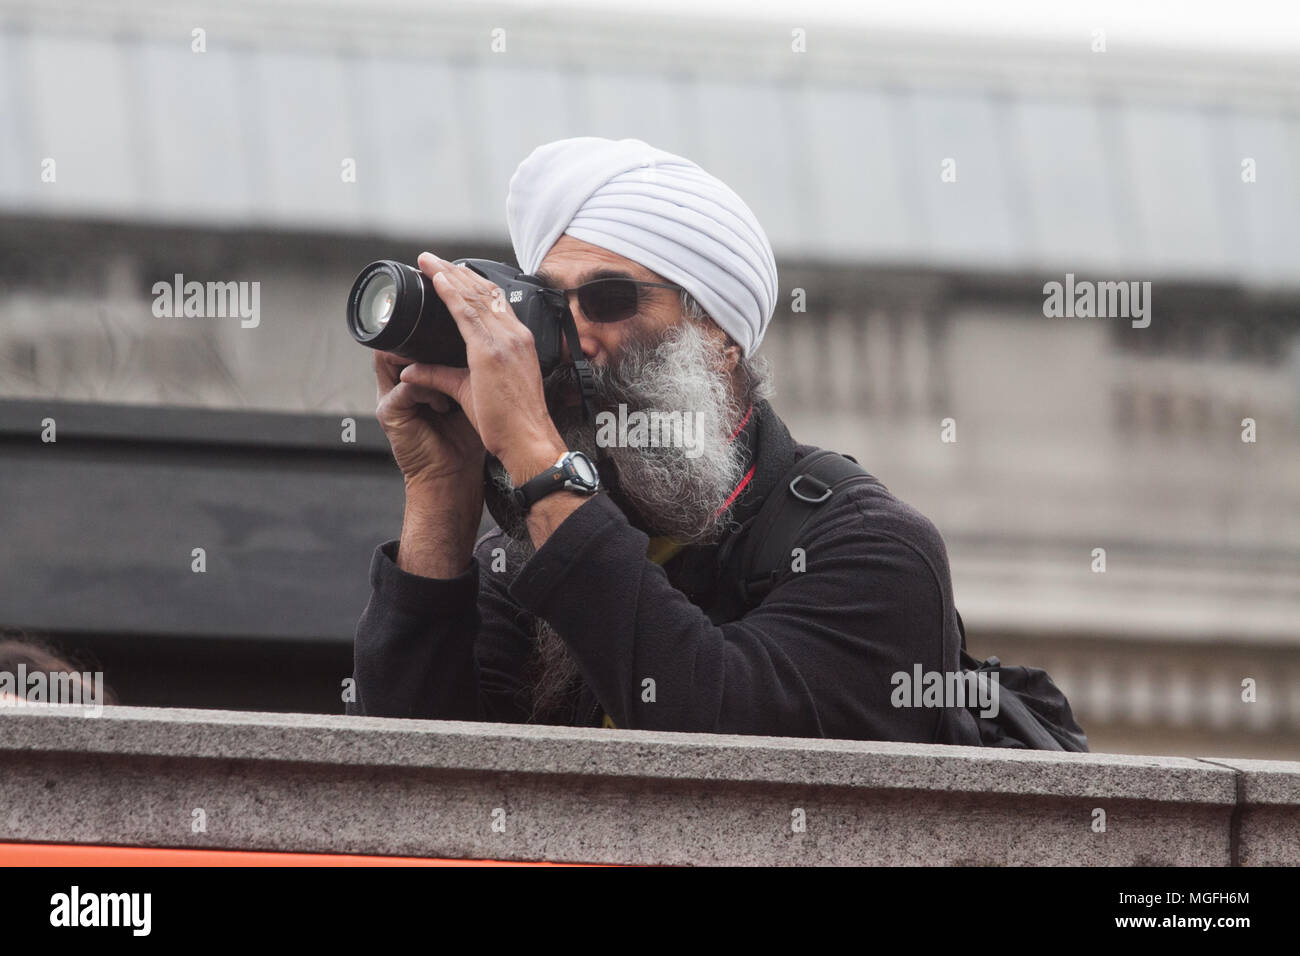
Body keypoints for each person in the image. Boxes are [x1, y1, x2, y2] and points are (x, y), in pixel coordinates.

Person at [346, 136, 982, 744]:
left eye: (607, 299)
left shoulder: (871, 549)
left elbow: (726, 754)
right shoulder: (524, 552)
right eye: (548, 305)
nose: (572, 338)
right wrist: (440, 489)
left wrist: (541, 465)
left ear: (719, 337)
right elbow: (419, 772)